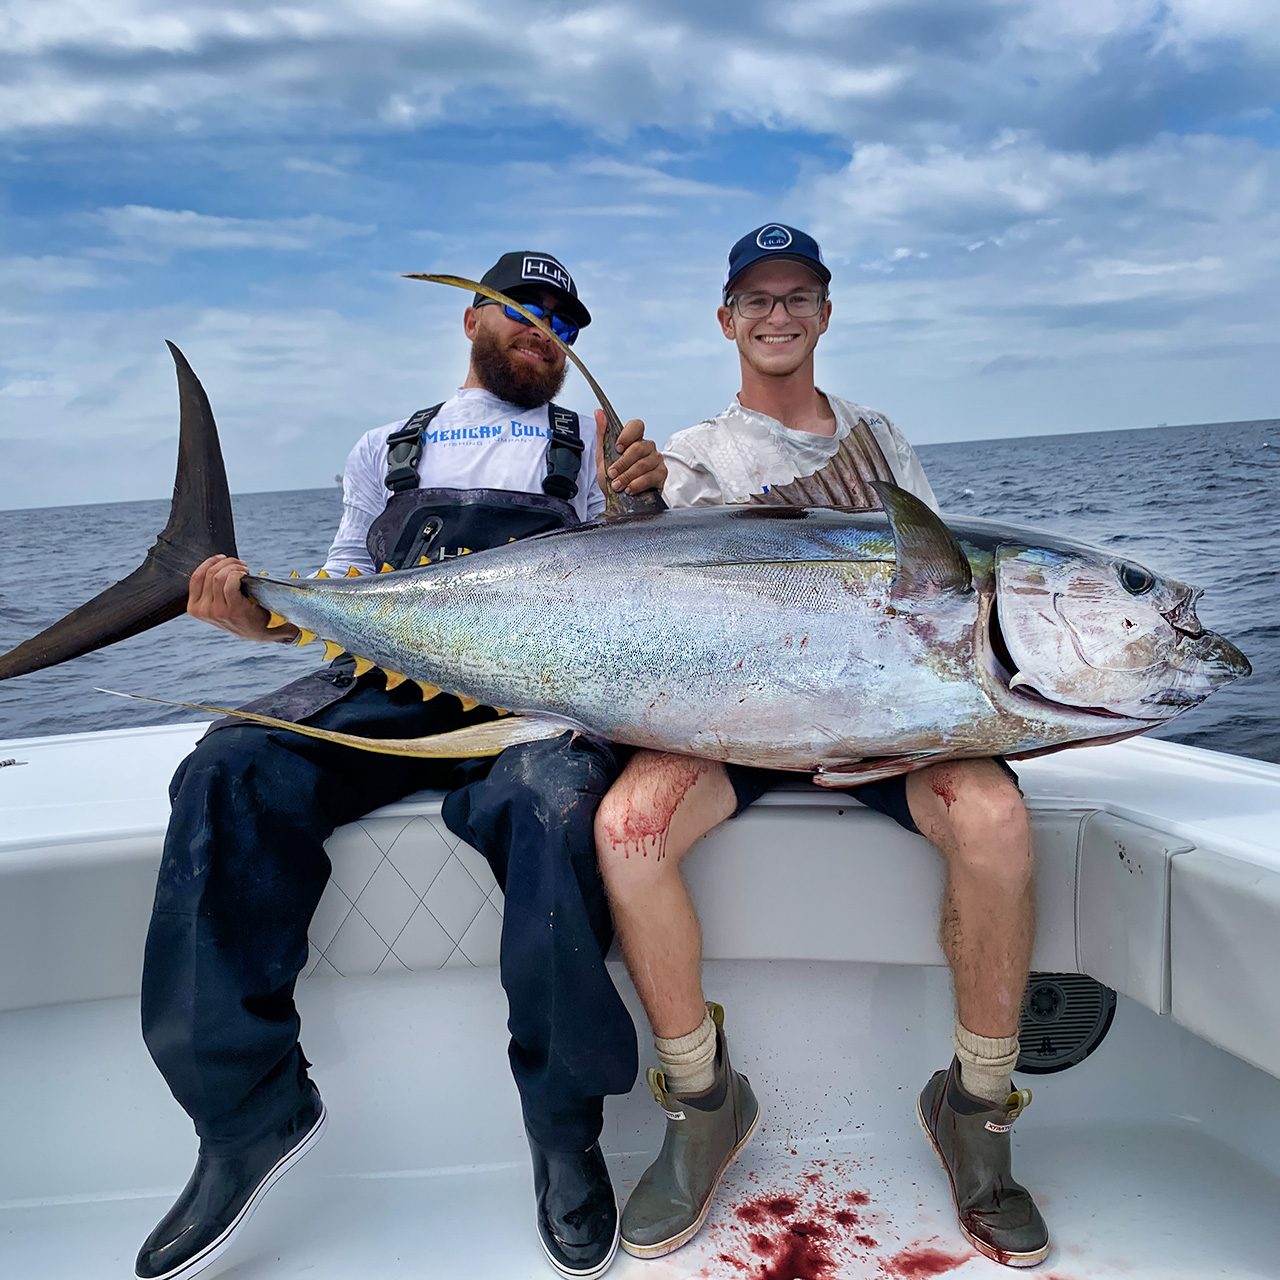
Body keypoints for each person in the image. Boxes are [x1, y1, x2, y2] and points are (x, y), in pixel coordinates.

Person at [134, 251, 665, 1280]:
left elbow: (635, 595)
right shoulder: (387, 446)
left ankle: (563, 1126)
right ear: (472, 317)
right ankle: (248, 1110)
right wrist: (255, 617)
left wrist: (643, 508)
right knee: (224, 770)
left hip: (529, 696)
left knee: (555, 809)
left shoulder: (591, 450)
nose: (543, 324)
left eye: (562, 317)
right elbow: (339, 591)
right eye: (521, 305)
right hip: (381, 685)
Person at [594, 225, 1048, 1268]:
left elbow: (930, 594)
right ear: (726, 320)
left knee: (993, 814)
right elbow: (655, 591)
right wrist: (630, 506)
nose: (776, 314)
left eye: (796, 294)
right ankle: (703, 1099)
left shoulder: (879, 438)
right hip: (747, 726)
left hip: (889, 721)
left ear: (825, 311)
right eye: (754, 299)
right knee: (626, 827)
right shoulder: (697, 456)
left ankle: (973, 1111)